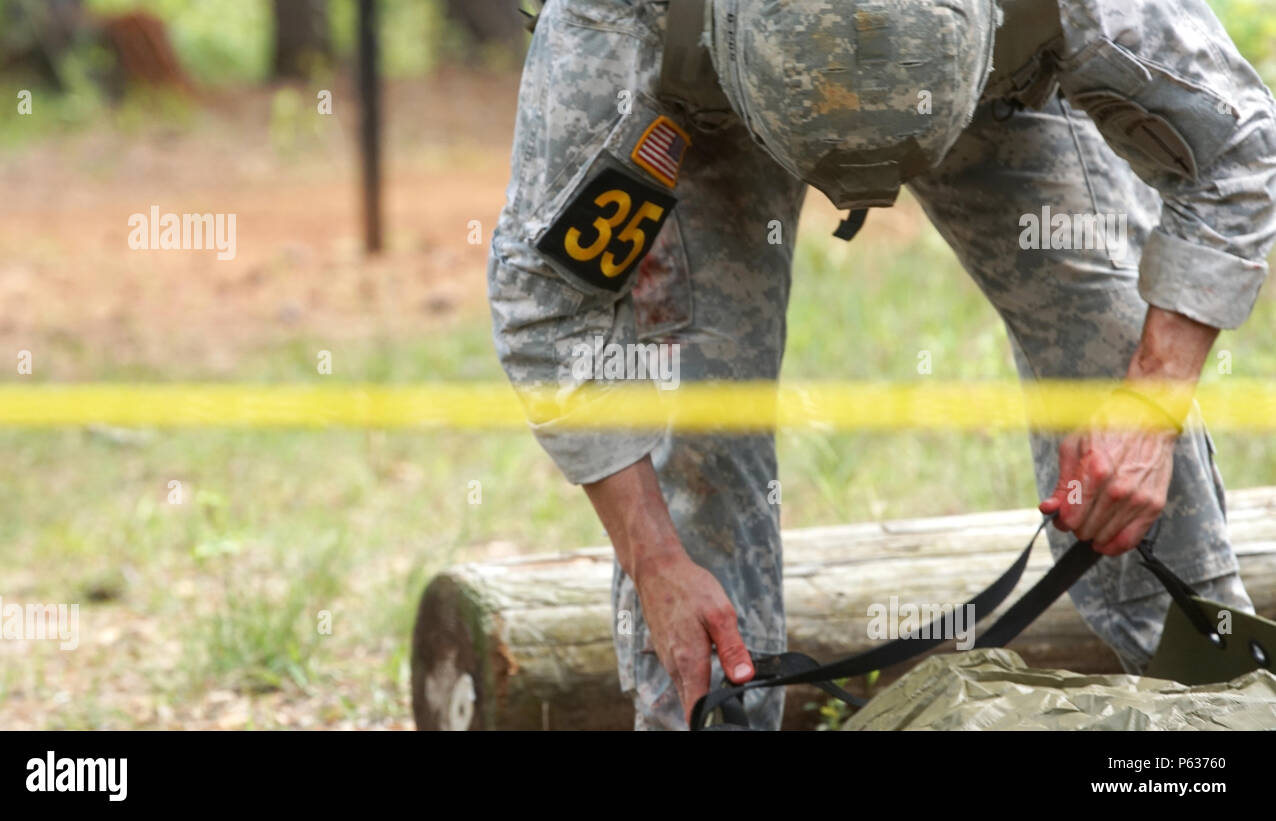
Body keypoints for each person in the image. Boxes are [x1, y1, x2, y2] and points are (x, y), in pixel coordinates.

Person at [486, 0, 1276, 729]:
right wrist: (654, 558)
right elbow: (544, 297)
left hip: (994, 86)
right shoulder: (620, 20)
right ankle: (710, 709)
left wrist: (1149, 405)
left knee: (1108, 346)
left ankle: (1214, 714)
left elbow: (1239, 147)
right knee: (700, 441)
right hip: (709, 103)